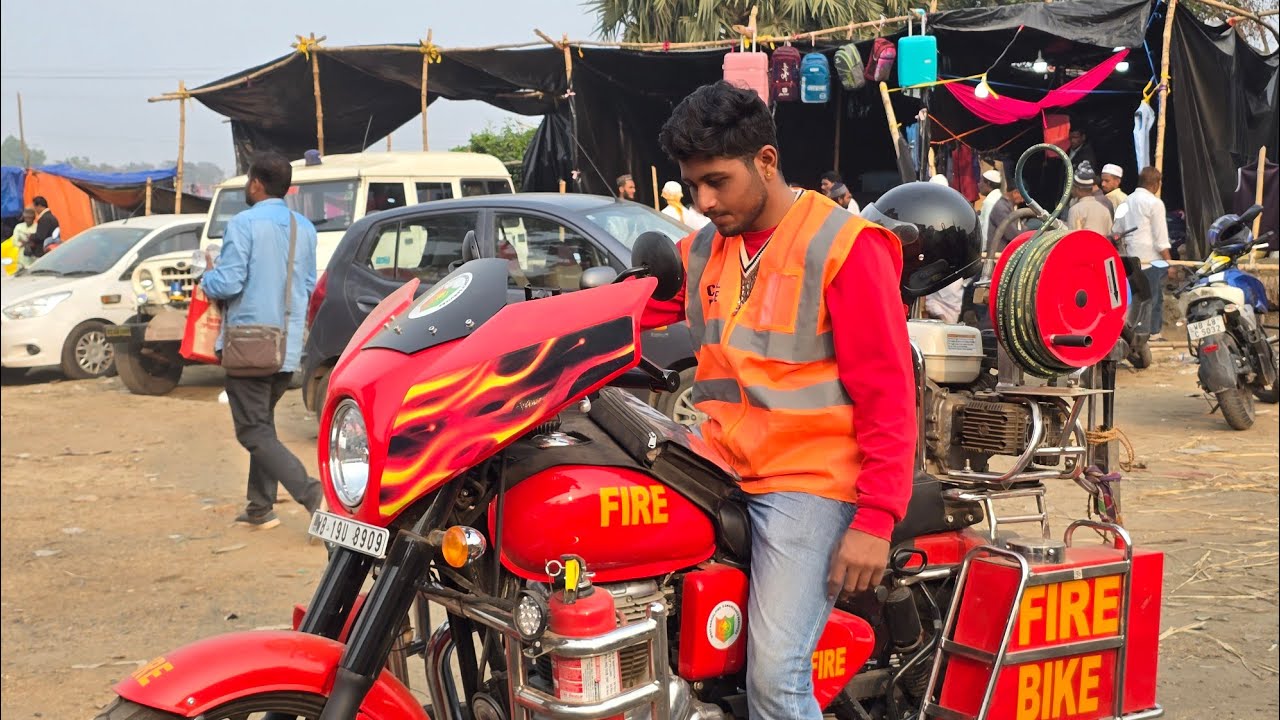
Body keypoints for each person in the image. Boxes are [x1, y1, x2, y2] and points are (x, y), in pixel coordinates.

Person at [646, 81, 913, 719]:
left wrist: (875, 520)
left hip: (808, 484)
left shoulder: (843, 248)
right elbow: (636, 309)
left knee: (776, 680)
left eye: (716, 181)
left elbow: (889, 393)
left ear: (766, 161)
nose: (704, 202)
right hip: (718, 466)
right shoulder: (708, 247)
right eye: (693, 185)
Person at [200, 151, 323, 530]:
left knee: (252, 430)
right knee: (263, 425)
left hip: (249, 345)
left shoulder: (244, 224)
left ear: (255, 183)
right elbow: (307, 286)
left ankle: (311, 493)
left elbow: (230, 281)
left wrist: (206, 279)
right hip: (286, 350)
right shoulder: (304, 227)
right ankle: (259, 507)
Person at [1125, 167, 1173, 339]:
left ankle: (1133, 333)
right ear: (1155, 184)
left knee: (1135, 299)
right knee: (1153, 299)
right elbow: (1161, 238)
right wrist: (1169, 263)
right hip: (1151, 259)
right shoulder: (1155, 203)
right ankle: (1151, 334)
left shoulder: (1127, 200)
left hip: (1131, 258)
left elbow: (1118, 230)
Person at [1067, 164, 1114, 236]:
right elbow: (1109, 236)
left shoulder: (1075, 210)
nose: (1071, 190)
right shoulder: (1104, 209)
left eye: (1073, 187)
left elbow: (1072, 238)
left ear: (1078, 189)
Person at [976, 170, 1003, 247]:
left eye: (981, 181)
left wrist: (983, 248)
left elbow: (986, 229)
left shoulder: (991, 201)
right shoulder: (999, 196)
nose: (979, 185)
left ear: (988, 183)